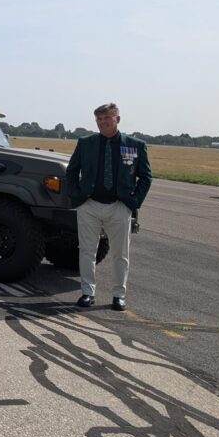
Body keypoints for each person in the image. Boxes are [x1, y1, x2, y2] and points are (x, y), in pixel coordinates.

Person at [65, 103, 152, 311]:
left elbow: (146, 177)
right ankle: (87, 292)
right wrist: (77, 195)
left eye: (107, 119)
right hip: (89, 205)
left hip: (119, 207)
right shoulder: (86, 143)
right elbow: (72, 171)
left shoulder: (134, 145)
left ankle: (118, 295)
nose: (103, 123)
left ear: (117, 120)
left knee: (120, 254)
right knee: (87, 250)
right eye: (99, 120)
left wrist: (134, 202)